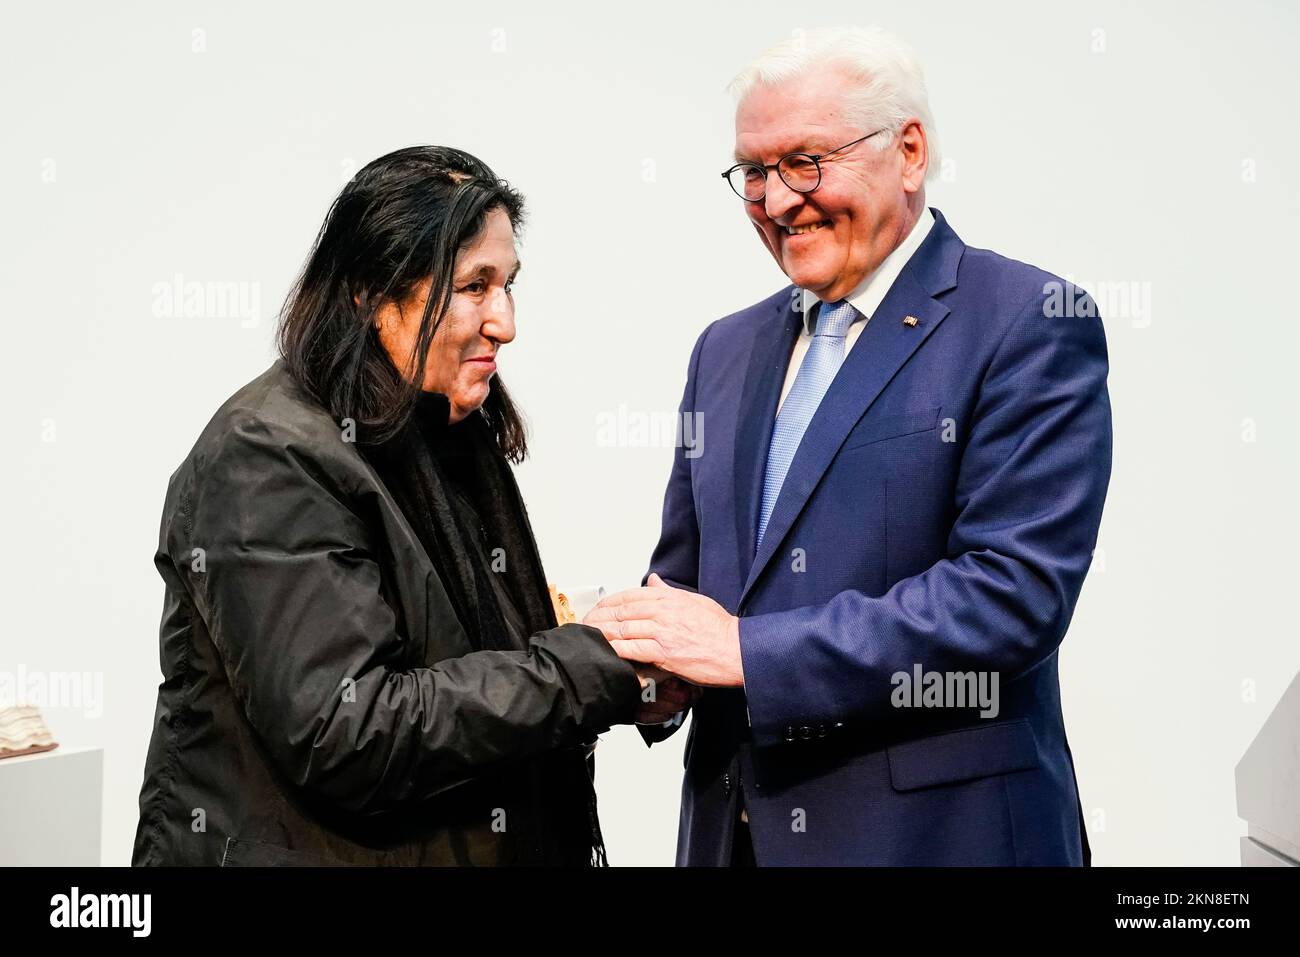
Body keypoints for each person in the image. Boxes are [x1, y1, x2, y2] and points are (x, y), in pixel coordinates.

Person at [586, 26, 1112, 866]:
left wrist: (743, 652)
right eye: (753, 172)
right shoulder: (722, 350)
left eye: (804, 161)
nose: (777, 200)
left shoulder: (1028, 321)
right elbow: (689, 586)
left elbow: (1011, 595)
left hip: (939, 843)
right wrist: (637, 664)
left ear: (909, 152)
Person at [132, 145, 694, 866]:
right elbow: (349, 730)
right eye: (474, 286)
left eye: (509, 285)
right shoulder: (266, 455)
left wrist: (618, 675)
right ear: (370, 291)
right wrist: (589, 668)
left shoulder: (441, 429)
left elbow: (466, 666)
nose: (506, 322)